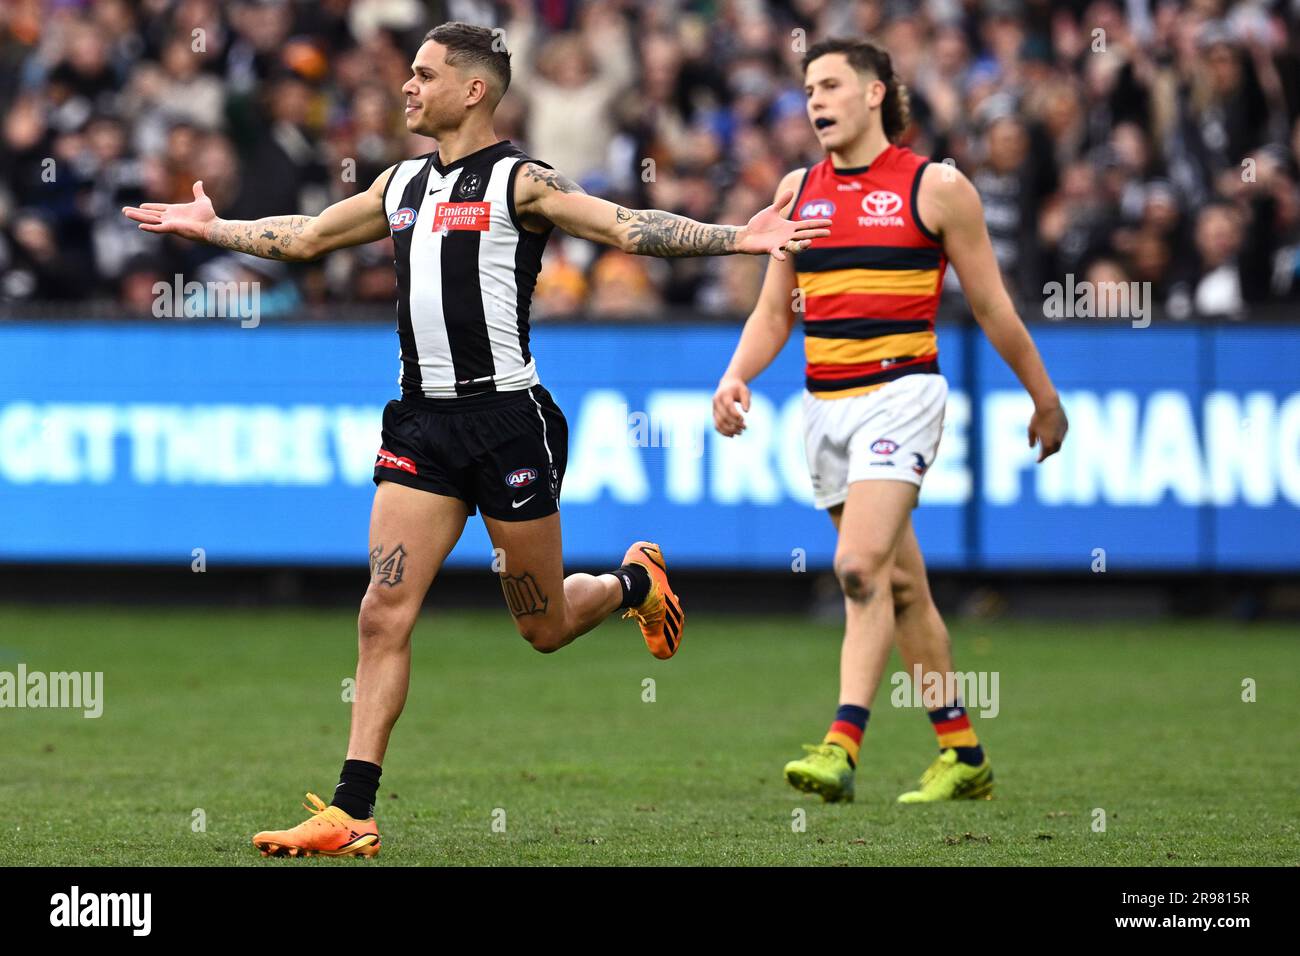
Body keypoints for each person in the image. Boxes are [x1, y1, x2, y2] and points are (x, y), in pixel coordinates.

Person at [123, 21, 830, 856]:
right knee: (383, 612)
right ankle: (353, 809)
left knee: (543, 629)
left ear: (474, 89)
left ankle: (634, 583)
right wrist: (213, 229)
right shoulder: (400, 183)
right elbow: (309, 236)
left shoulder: (519, 181)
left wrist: (734, 237)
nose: (406, 87)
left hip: (508, 426)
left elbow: (620, 225)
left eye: (423, 75)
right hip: (422, 423)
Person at [711, 37, 1068, 804]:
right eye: (808, 87)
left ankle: (842, 744)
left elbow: (993, 307)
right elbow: (774, 314)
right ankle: (962, 751)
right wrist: (736, 375)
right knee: (902, 588)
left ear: (876, 94)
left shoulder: (936, 187)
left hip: (902, 395)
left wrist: (1044, 396)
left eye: (832, 84)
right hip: (824, 407)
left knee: (857, 569)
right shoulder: (796, 189)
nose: (815, 100)